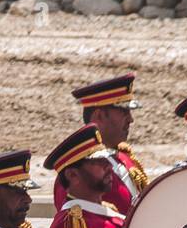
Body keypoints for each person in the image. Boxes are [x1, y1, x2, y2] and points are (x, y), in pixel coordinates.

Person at [54, 74, 148, 214]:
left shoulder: (124, 158)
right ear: (99, 116)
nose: (130, 119)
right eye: (124, 111)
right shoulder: (78, 171)